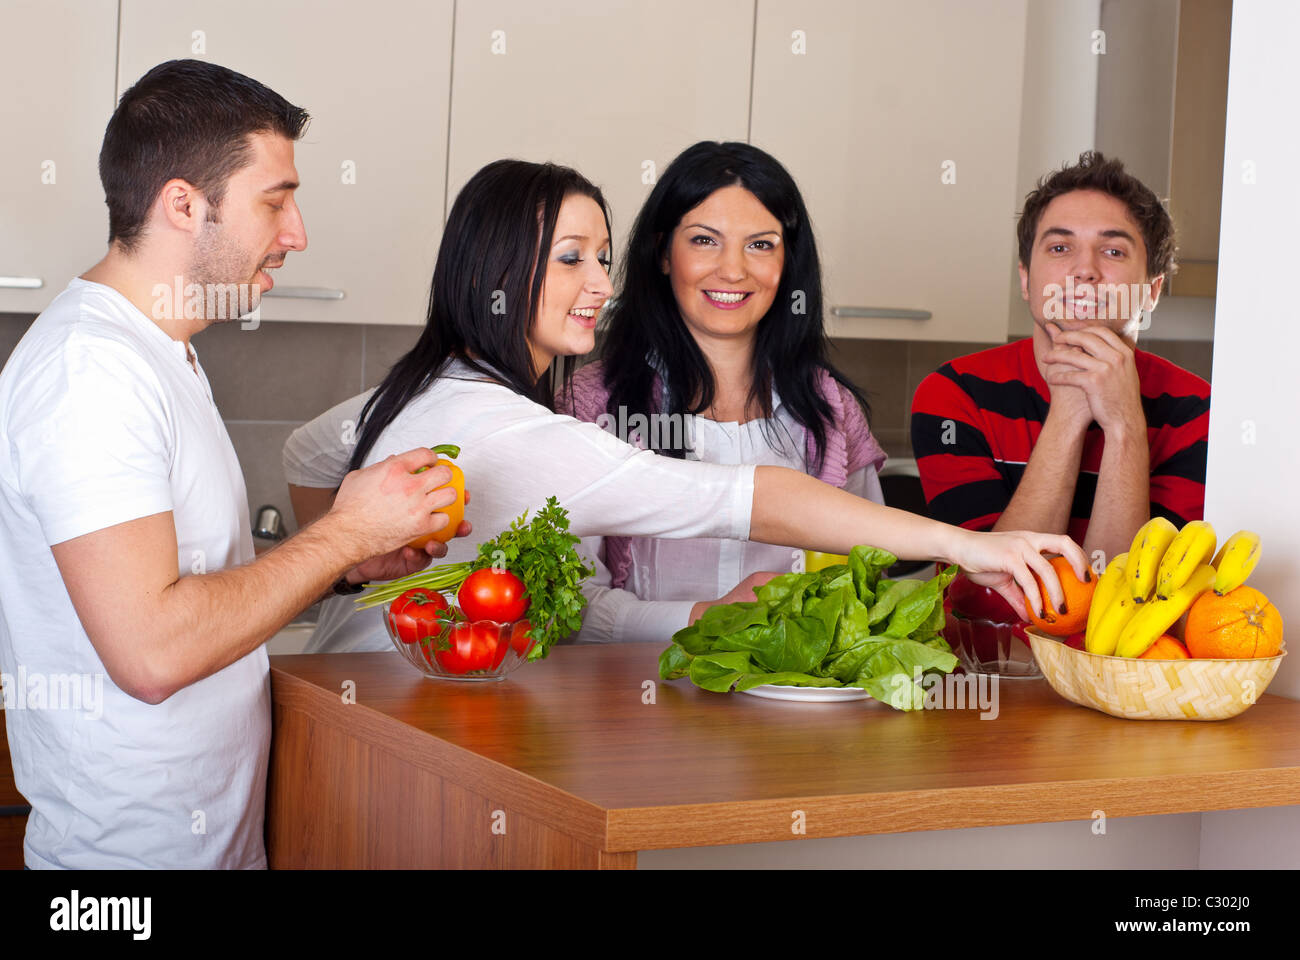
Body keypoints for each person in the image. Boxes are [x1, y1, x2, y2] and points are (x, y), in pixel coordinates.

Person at [285, 158, 1086, 656]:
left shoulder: (427, 385)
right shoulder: (528, 431)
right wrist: (965, 546)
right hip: (399, 713)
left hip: (366, 695)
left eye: (601, 258)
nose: (601, 285)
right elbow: (749, 498)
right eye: (570, 260)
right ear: (492, 273)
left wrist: (349, 559)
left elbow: (309, 451)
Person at [0, 60, 467, 870]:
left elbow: (209, 593)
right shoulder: (91, 371)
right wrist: (345, 531)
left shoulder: (162, 354)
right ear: (183, 205)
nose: (297, 233)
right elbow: (153, 654)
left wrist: (349, 559)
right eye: (275, 201)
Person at [557, 141, 887, 643]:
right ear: (663, 253)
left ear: (788, 261)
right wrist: (707, 618)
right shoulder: (590, 403)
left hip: (785, 690)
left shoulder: (831, 407)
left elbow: (867, 575)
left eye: (761, 245)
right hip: (631, 685)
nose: (733, 270)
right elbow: (567, 604)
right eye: (704, 240)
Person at [910, 151, 1210, 567]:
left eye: (1113, 252)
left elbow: (1134, 593)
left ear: (1152, 291)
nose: (1084, 270)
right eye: (1060, 247)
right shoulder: (954, 395)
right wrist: (1070, 409)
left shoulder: (1198, 414)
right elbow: (991, 593)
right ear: (1026, 279)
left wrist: (1124, 426)